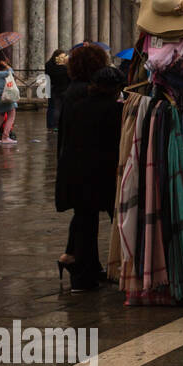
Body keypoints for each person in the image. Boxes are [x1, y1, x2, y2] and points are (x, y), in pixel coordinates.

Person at [55, 65, 124, 291]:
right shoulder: (114, 111)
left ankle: (82, 279)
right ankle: (126, 270)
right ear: (114, 89)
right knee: (120, 220)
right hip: (102, 174)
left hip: (76, 173)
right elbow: (116, 145)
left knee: (85, 223)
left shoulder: (75, 106)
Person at [45, 50, 70, 132]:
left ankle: (51, 126)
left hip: (52, 88)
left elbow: (47, 77)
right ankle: (56, 125)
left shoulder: (49, 64)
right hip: (61, 89)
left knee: (52, 107)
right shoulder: (64, 67)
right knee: (58, 108)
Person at [0, 54, 17, 144]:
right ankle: (5, 137)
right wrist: (7, 64)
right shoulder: (3, 73)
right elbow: (11, 72)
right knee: (11, 116)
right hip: (7, 98)